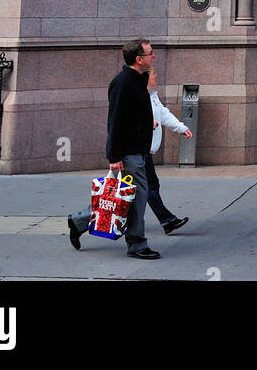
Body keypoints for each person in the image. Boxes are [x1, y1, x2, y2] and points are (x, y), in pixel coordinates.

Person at [66, 39, 161, 259]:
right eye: (150, 53)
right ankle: (137, 244)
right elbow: (115, 121)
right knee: (137, 198)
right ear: (139, 59)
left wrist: (147, 125)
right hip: (129, 152)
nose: (153, 56)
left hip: (138, 150)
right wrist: (114, 156)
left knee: (124, 196)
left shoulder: (138, 79)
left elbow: (133, 117)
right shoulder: (123, 83)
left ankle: (80, 221)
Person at [145, 68, 192, 234]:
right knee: (149, 186)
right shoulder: (138, 96)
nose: (156, 76)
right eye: (153, 74)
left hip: (145, 150)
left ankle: (81, 221)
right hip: (137, 151)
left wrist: (181, 127)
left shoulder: (152, 95)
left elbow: (163, 113)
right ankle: (167, 220)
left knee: (132, 191)